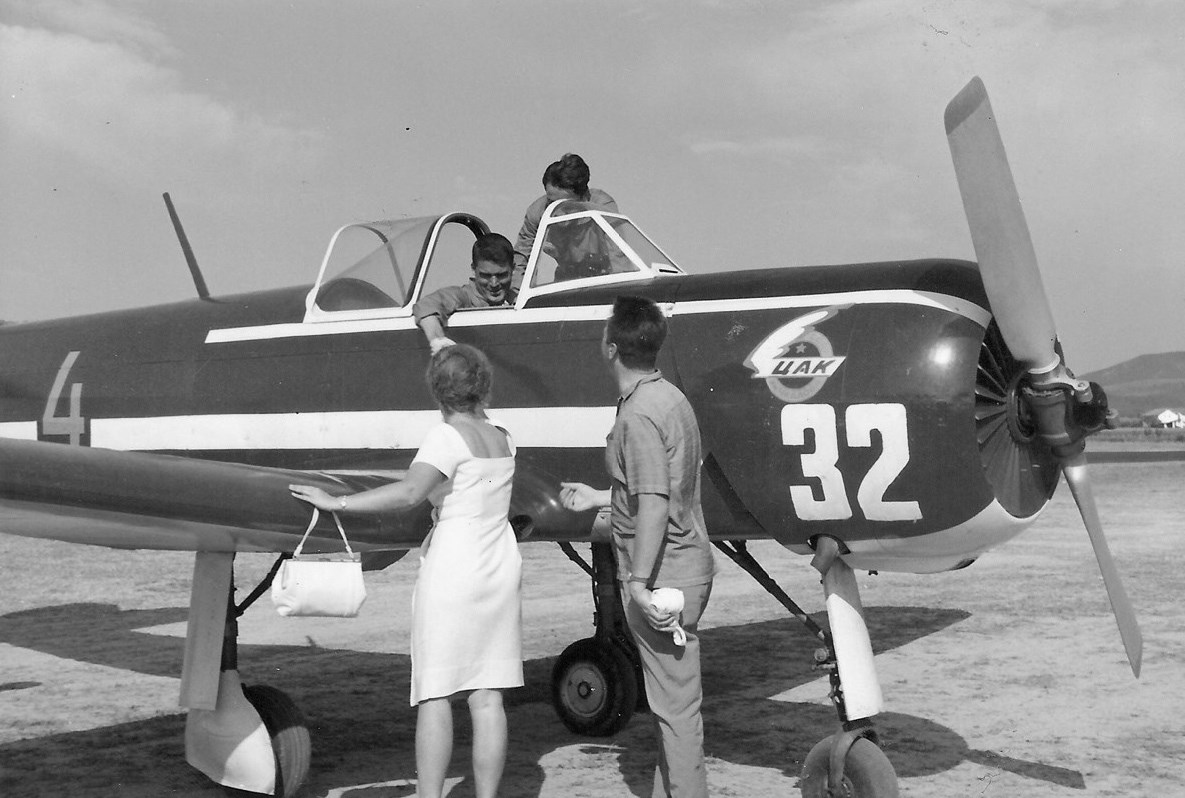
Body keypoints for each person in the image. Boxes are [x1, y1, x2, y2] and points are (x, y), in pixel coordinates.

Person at [289, 344, 522, 798]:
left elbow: (411, 492)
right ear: (482, 387)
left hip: (455, 565)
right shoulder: (504, 437)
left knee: (435, 692)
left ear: (437, 391)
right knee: (488, 696)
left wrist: (338, 502)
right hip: (499, 564)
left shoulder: (445, 437)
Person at [560, 296, 716, 798]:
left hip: (664, 576)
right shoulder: (668, 397)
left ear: (611, 347)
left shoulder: (638, 415)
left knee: (676, 714)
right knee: (672, 707)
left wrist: (637, 583)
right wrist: (601, 497)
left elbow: (653, 504)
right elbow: (657, 487)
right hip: (684, 565)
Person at [513, 153, 618, 279]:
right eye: (552, 202)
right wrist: (517, 290)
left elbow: (619, 255)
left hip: (604, 278)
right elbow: (521, 258)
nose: (558, 212)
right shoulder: (537, 213)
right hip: (566, 278)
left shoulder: (602, 207)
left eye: (566, 206)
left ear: (584, 198)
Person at [413, 233, 516, 352]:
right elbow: (426, 306)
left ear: (513, 269)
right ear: (473, 269)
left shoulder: (517, 300)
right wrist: (439, 342)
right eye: (486, 276)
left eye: (501, 275)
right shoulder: (463, 296)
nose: (494, 284)